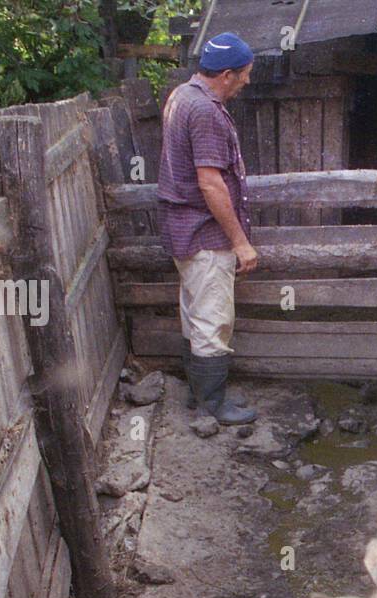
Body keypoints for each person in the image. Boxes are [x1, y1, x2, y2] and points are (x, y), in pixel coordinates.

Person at [157, 31, 259, 425]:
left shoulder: (182, 95)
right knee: (213, 318)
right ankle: (212, 405)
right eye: (245, 74)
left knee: (195, 313)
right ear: (228, 74)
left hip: (183, 229)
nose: (247, 81)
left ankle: (199, 394)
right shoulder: (205, 112)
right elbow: (210, 182)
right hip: (205, 233)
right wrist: (240, 242)